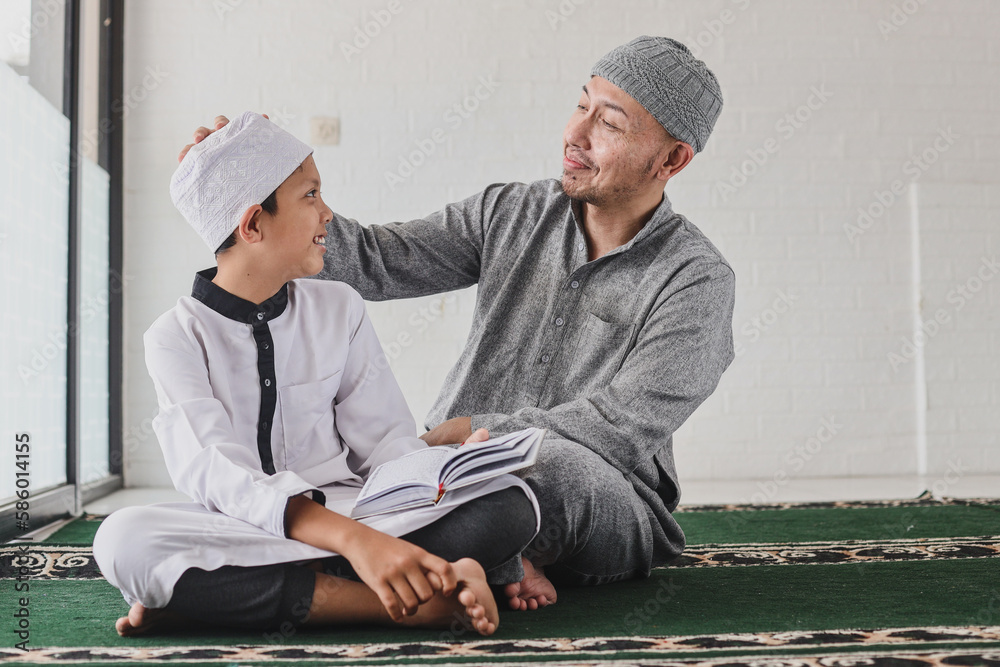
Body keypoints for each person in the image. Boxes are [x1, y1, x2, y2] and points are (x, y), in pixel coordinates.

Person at [182, 36, 735, 612]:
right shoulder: (510, 212)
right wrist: (255, 191)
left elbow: (624, 423)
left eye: (610, 125)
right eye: (580, 105)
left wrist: (476, 429)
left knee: (545, 460)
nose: (575, 134)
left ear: (670, 160)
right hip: (453, 473)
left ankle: (360, 567)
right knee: (373, 470)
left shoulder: (696, 279)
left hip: (599, 499)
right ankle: (487, 561)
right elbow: (375, 261)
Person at [95, 112, 540, 637]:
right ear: (253, 224)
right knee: (125, 540)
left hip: (362, 515)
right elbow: (217, 474)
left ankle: (228, 596)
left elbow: (385, 446)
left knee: (509, 502)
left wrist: (440, 472)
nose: (328, 213)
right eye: (310, 195)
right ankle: (428, 604)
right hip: (243, 525)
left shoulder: (340, 308)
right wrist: (359, 545)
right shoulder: (174, 337)